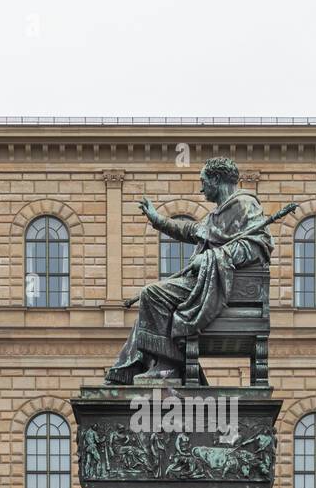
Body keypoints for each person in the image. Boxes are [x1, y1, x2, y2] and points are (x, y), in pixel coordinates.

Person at [105, 157, 276, 384]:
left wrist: (212, 257)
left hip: (222, 287)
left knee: (152, 294)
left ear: (216, 179)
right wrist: (158, 221)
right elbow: (193, 231)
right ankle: (136, 365)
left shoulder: (244, 205)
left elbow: (258, 246)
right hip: (206, 280)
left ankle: (169, 366)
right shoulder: (219, 213)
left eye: (203, 181)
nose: (201, 187)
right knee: (151, 301)